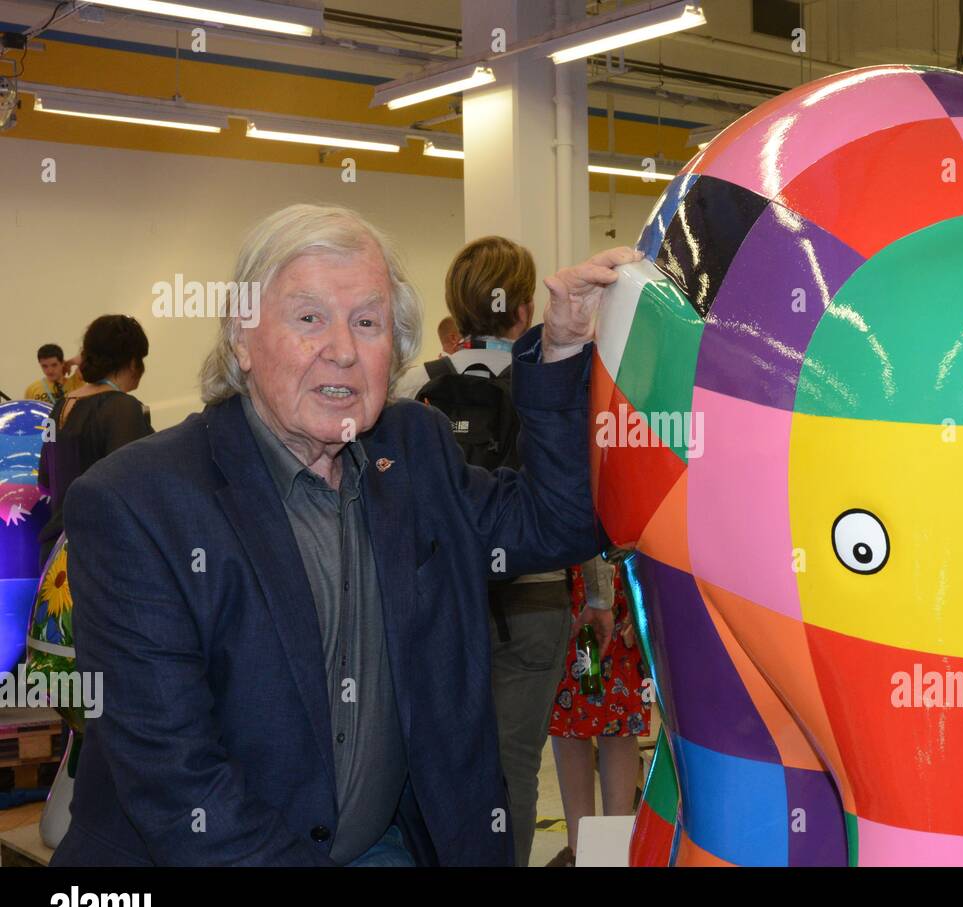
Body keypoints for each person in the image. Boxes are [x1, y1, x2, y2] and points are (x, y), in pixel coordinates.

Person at [51, 203, 640, 866]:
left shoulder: (412, 450)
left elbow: (559, 522)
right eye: (308, 318)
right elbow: (181, 788)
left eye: (368, 321)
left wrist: (561, 350)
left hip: (386, 842)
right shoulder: (137, 506)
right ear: (241, 340)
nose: (342, 348)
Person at [419, 235, 593, 867]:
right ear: (523, 309)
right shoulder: (547, 385)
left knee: (446, 765)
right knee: (514, 768)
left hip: (444, 605)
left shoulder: (421, 392)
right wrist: (597, 595)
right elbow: (577, 498)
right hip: (536, 600)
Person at [545, 556, 651, 867]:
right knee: (567, 718)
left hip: (618, 571)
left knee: (620, 719)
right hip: (569, 575)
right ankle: (578, 852)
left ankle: (615, 847)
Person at [37, 316, 151, 567]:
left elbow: (44, 484)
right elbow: (134, 489)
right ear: (132, 361)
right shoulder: (123, 408)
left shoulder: (60, 407)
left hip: (56, 561)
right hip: (102, 557)